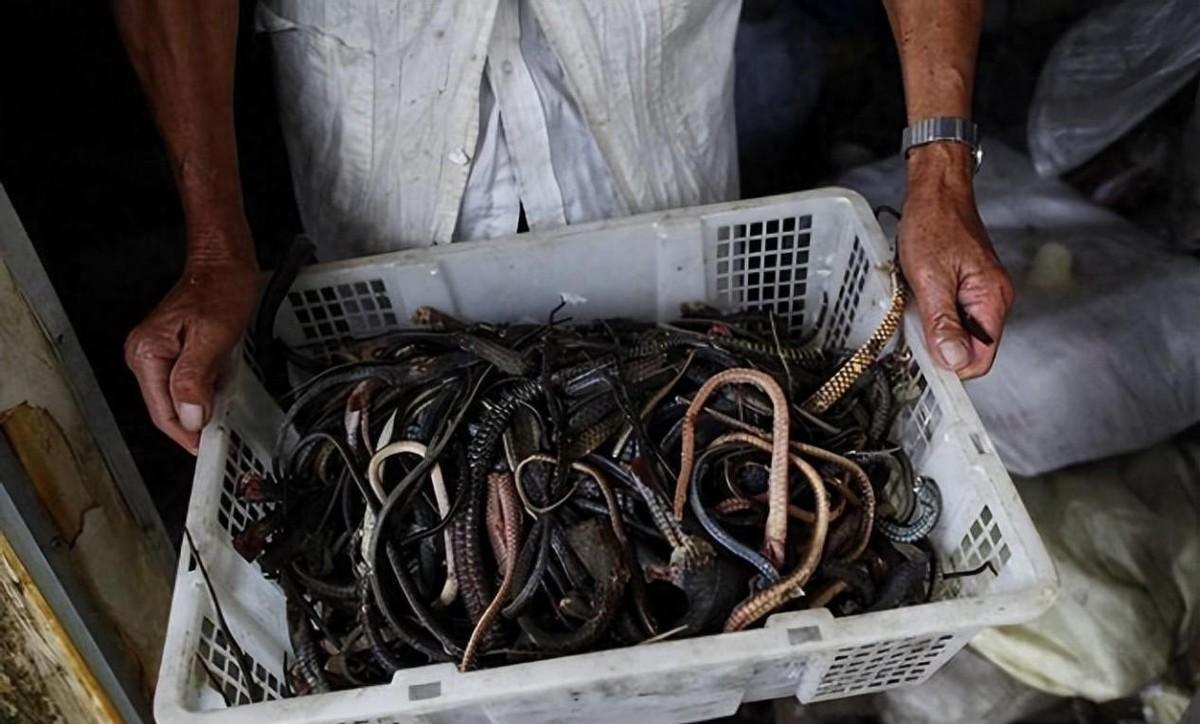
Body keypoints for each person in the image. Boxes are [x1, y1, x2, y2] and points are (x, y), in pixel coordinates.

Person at [113, 0, 1012, 454]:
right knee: (405, 433)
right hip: (381, 185)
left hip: (659, 152)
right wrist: (214, 247)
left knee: (704, 420)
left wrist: (939, 167)